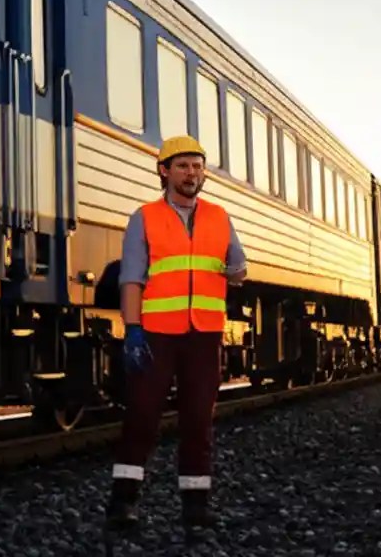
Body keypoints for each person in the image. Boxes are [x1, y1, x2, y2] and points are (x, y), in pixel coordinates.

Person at [104, 135, 247, 532]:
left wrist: (235, 271)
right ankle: (123, 502)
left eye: (198, 166)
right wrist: (132, 331)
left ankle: (196, 507)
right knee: (143, 416)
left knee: (198, 419)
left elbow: (238, 266)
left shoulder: (220, 216)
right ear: (164, 171)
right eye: (183, 166)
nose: (192, 173)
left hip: (204, 334)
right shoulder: (144, 217)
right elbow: (131, 279)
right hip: (156, 334)